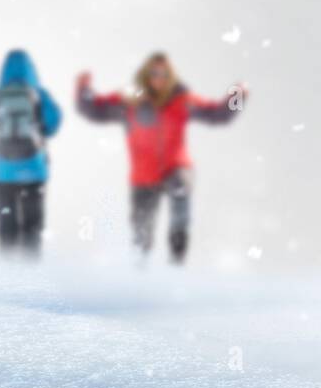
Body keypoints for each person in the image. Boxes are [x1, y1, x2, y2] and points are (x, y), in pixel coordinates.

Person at [76, 53, 246, 264]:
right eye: (154, 73)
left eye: (164, 74)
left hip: (175, 167)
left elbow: (219, 114)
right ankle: (140, 275)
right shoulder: (130, 100)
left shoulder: (182, 101)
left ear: (171, 76)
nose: (159, 79)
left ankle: (177, 261)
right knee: (141, 234)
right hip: (143, 176)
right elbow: (94, 110)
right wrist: (83, 88)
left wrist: (238, 96)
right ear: (146, 75)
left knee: (180, 194)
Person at [0, 50, 62, 256]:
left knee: (6, 226)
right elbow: (53, 123)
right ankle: (32, 276)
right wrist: (38, 131)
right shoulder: (38, 94)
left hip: (1, 171)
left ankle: (7, 278)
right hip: (33, 169)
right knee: (32, 226)